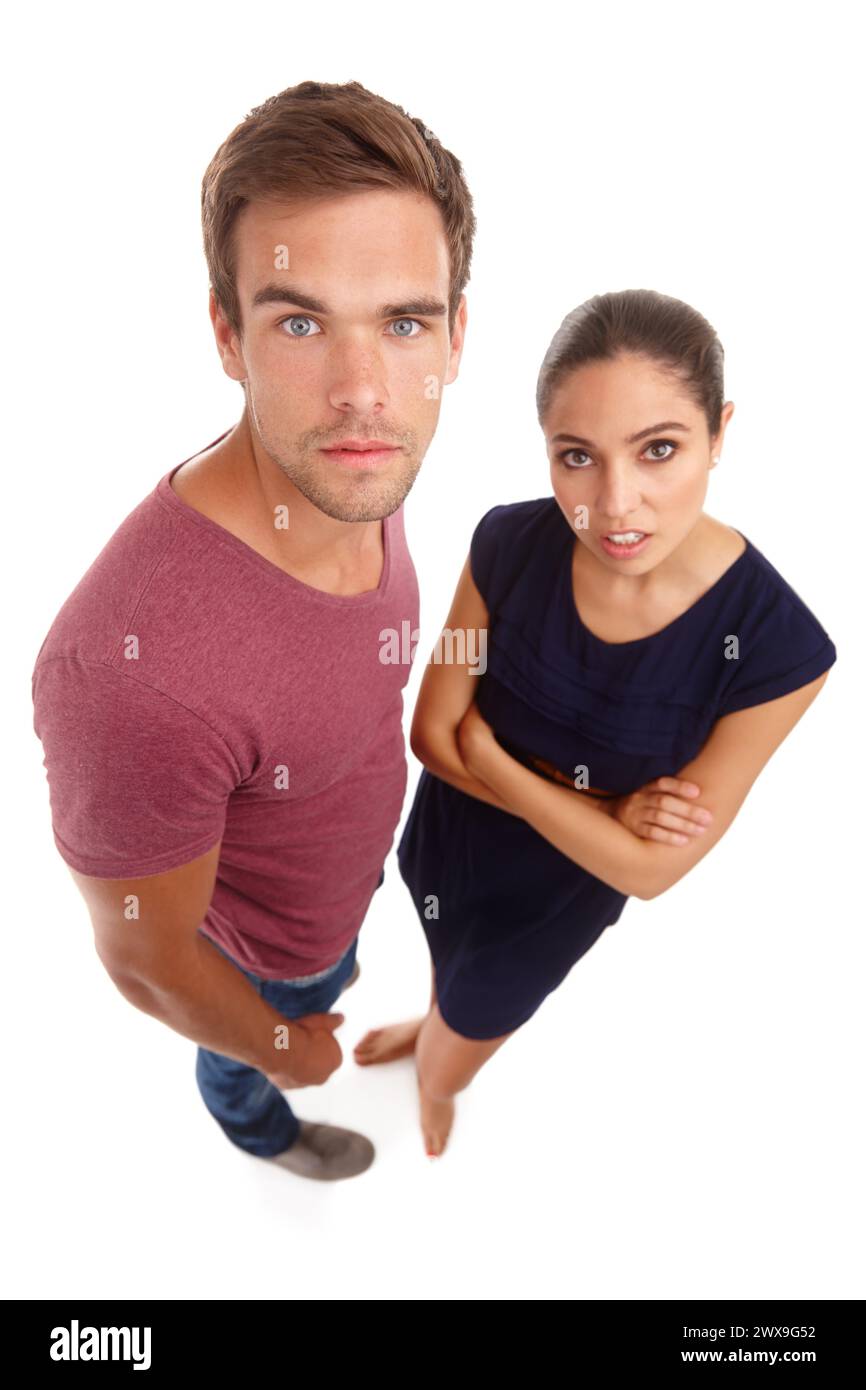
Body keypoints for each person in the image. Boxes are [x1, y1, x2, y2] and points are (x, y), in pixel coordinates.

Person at [30, 79, 477, 1182]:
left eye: (404, 321)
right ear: (226, 334)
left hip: (336, 885)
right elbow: (146, 962)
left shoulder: (351, 467)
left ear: (455, 335)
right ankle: (254, 1128)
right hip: (263, 964)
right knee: (249, 1057)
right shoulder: (130, 674)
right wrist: (284, 1046)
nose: (362, 389)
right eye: (298, 320)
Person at [354, 288, 838, 1159]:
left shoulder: (781, 651)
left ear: (719, 434)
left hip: (557, 897)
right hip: (453, 837)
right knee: (443, 944)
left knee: (473, 1022)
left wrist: (493, 759)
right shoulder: (502, 543)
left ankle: (437, 1073)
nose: (616, 504)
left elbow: (651, 872)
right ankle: (435, 1017)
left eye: (659, 450)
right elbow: (430, 735)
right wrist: (607, 813)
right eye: (577, 457)